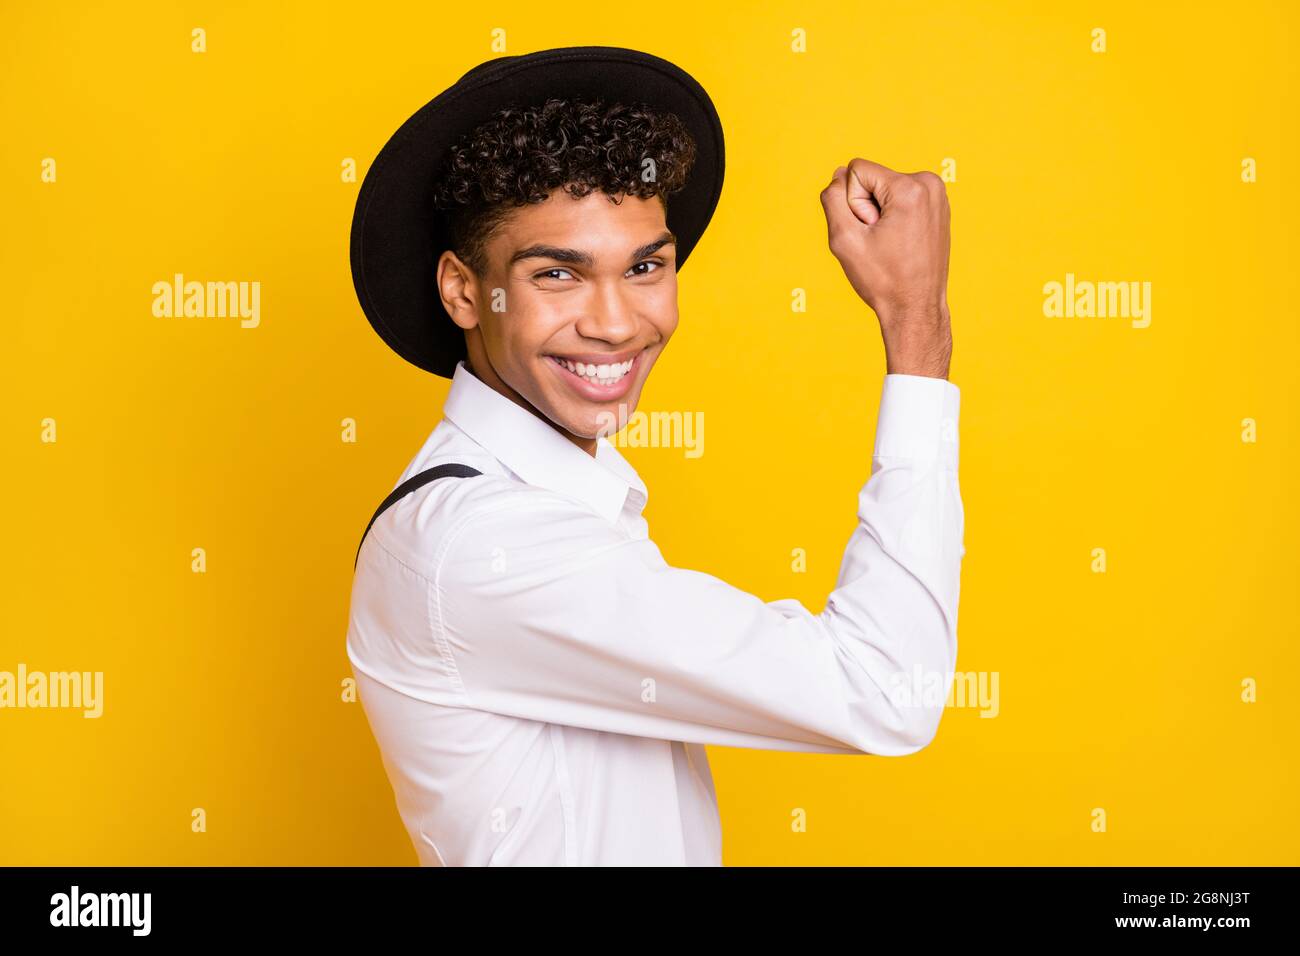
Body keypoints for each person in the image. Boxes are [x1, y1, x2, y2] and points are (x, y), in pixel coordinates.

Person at [345, 45, 962, 866]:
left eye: (644, 267)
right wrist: (914, 324)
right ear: (464, 291)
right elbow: (885, 690)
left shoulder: (548, 502)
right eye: (558, 275)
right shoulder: (481, 542)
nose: (615, 322)